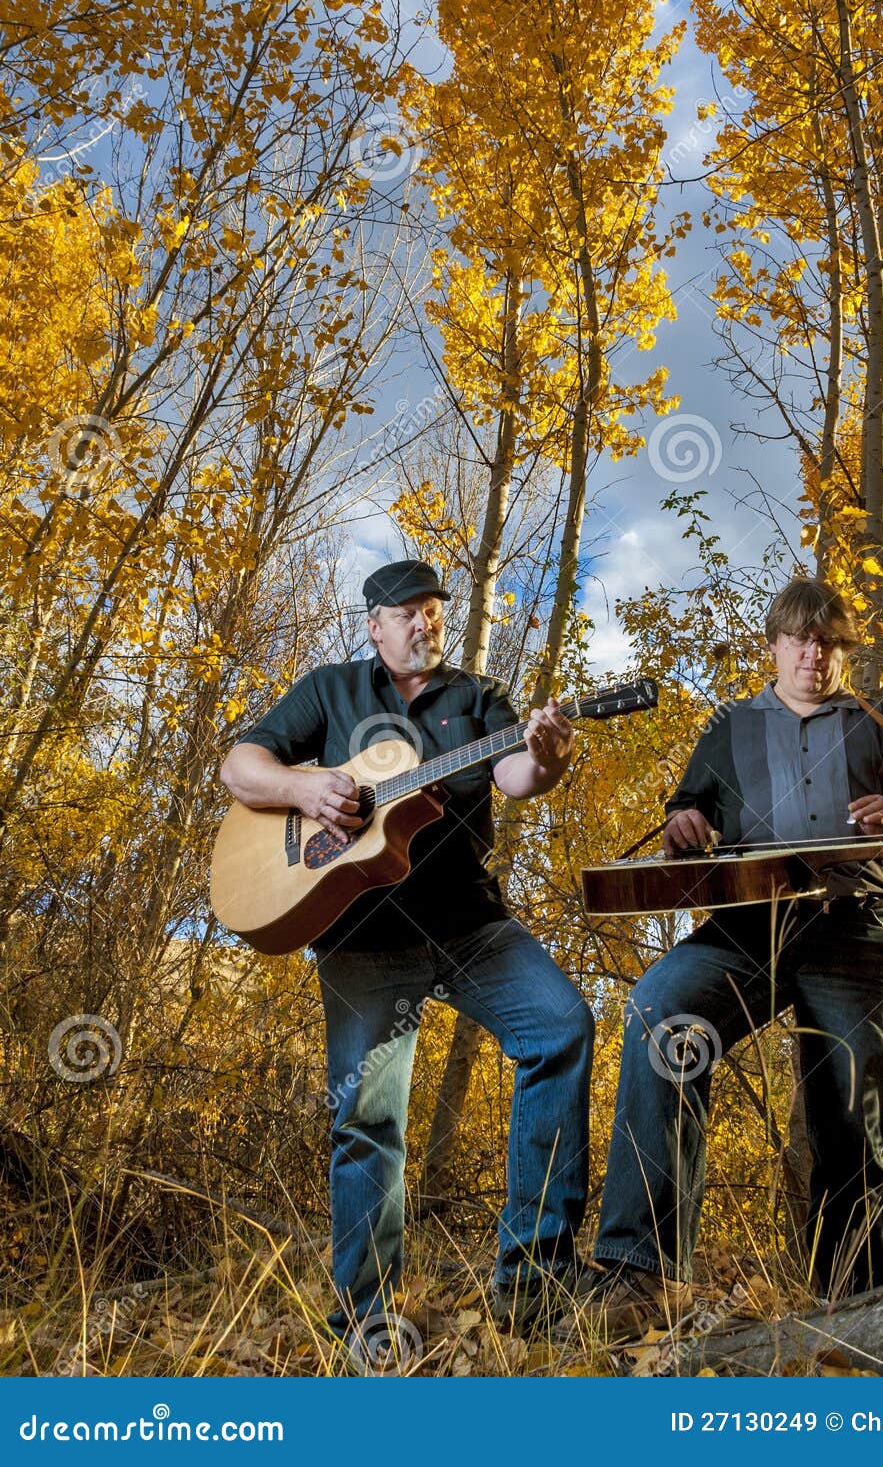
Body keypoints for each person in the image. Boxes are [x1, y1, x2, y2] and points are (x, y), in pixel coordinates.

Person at [219, 559, 594, 1356]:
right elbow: (239, 767)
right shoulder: (329, 690)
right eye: (407, 613)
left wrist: (549, 756)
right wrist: (305, 791)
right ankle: (367, 1321)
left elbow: (517, 776)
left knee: (560, 1027)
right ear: (374, 626)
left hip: (469, 922)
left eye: (433, 611)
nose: (424, 623)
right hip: (362, 935)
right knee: (368, 1118)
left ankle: (532, 1287)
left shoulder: (479, 698)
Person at [580, 575, 883, 1336]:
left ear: (842, 650)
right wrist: (683, 825)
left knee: (848, 1115)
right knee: (660, 1014)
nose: (812, 654)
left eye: (827, 642)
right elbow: (685, 812)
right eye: (798, 639)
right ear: (775, 645)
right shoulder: (729, 727)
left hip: (858, 929)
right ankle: (640, 1276)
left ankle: (854, 1308)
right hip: (749, 928)